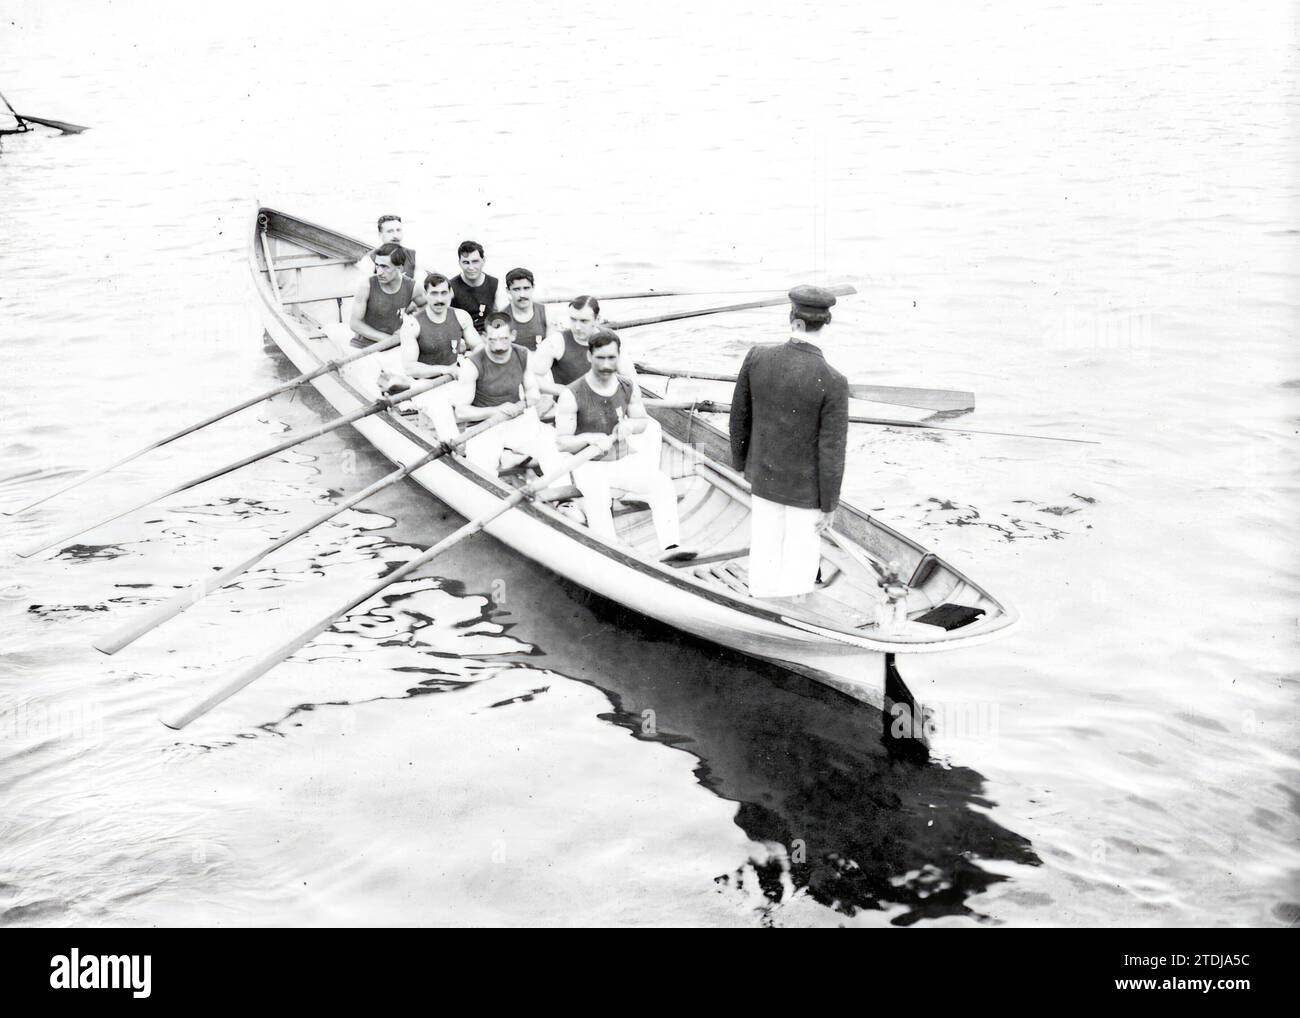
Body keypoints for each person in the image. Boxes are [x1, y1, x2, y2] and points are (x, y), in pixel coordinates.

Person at [729, 284, 848, 598]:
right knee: (801, 555)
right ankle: (792, 609)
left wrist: (741, 465)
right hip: (805, 491)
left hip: (763, 476)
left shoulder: (757, 356)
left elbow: (739, 416)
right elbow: (831, 448)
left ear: (793, 320)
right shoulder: (835, 381)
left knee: (765, 545)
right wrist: (829, 504)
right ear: (827, 323)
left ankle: (760, 601)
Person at [554, 328, 690, 560]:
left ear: (619, 357)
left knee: (662, 484)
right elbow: (562, 443)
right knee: (597, 500)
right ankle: (610, 554)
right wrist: (588, 439)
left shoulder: (627, 386)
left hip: (622, 460)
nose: (606, 364)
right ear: (589, 357)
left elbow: (641, 421)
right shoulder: (572, 393)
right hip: (589, 465)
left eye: (611, 357)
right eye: (600, 358)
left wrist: (630, 427)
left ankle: (671, 547)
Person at [455, 311, 563, 476]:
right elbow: (461, 412)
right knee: (482, 471)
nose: (498, 346)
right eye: (492, 340)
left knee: (554, 445)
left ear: (513, 335)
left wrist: (527, 400)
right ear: (484, 337)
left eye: (504, 339)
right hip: (482, 426)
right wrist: (498, 410)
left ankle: (561, 498)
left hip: (515, 421)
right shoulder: (472, 365)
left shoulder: (523, 354)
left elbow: (532, 390)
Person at [399, 272, 481, 440]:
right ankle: (453, 449)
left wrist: (470, 363)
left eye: (444, 293)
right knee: (441, 408)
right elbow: (410, 368)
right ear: (425, 295)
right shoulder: (413, 324)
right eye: (434, 294)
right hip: (425, 385)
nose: (439, 299)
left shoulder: (461, 316)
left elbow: (479, 346)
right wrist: (445, 369)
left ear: (451, 293)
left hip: (454, 378)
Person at [449, 240, 504, 333]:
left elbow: (501, 316)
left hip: (489, 336)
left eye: (475, 261)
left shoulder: (495, 284)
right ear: (459, 263)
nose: (471, 267)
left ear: (483, 261)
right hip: (462, 337)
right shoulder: (451, 286)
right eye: (466, 262)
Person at [502, 267, 551, 351]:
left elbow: (552, 348)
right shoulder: (502, 317)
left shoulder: (546, 312)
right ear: (508, 291)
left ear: (533, 287)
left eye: (526, 288)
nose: (522, 294)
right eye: (516, 289)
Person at [374, 215, 417, 280]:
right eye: (390, 231)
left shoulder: (413, 255)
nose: (395, 235)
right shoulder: (371, 258)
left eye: (398, 230)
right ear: (380, 234)